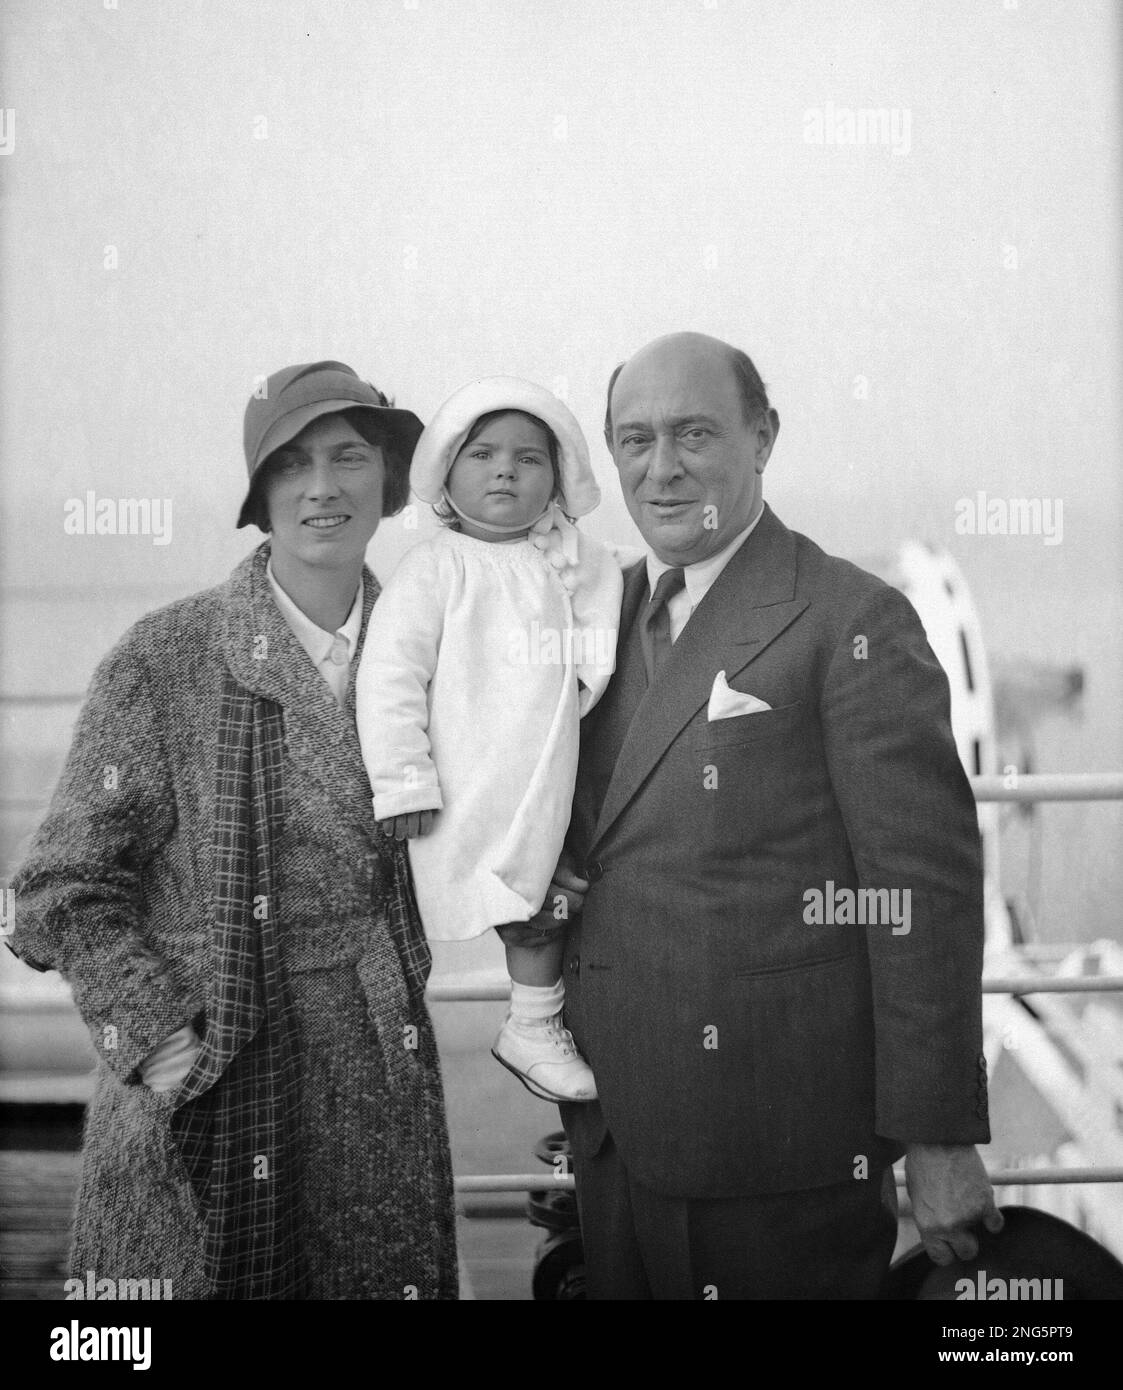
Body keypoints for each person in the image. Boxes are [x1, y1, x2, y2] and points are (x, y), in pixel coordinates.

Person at [555, 331, 1001, 1299]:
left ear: (764, 437)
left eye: (694, 434)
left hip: (778, 1154)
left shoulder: (851, 619)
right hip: (616, 1141)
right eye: (633, 439)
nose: (661, 468)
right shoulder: (596, 616)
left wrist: (936, 1138)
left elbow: (915, 895)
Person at [8, 361, 459, 1299]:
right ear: (261, 496)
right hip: (210, 1061)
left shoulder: (434, 653)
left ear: (391, 481)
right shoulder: (164, 657)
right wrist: (157, 1035)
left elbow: (496, 820)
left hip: (373, 1058)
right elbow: (57, 886)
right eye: (292, 464)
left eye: (348, 457)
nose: (323, 486)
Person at [356, 378, 622, 1103]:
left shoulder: (574, 560)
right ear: (446, 475)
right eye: (482, 454)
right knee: (513, 897)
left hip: (546, 761)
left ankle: (532, 1020)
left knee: (550, 897)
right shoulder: (433, 570)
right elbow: (389, 680)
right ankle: (526, 1026)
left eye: (529, 459)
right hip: (470, 769)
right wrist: (403, 779)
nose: (505, 470)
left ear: (559, 481)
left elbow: (599, 642)